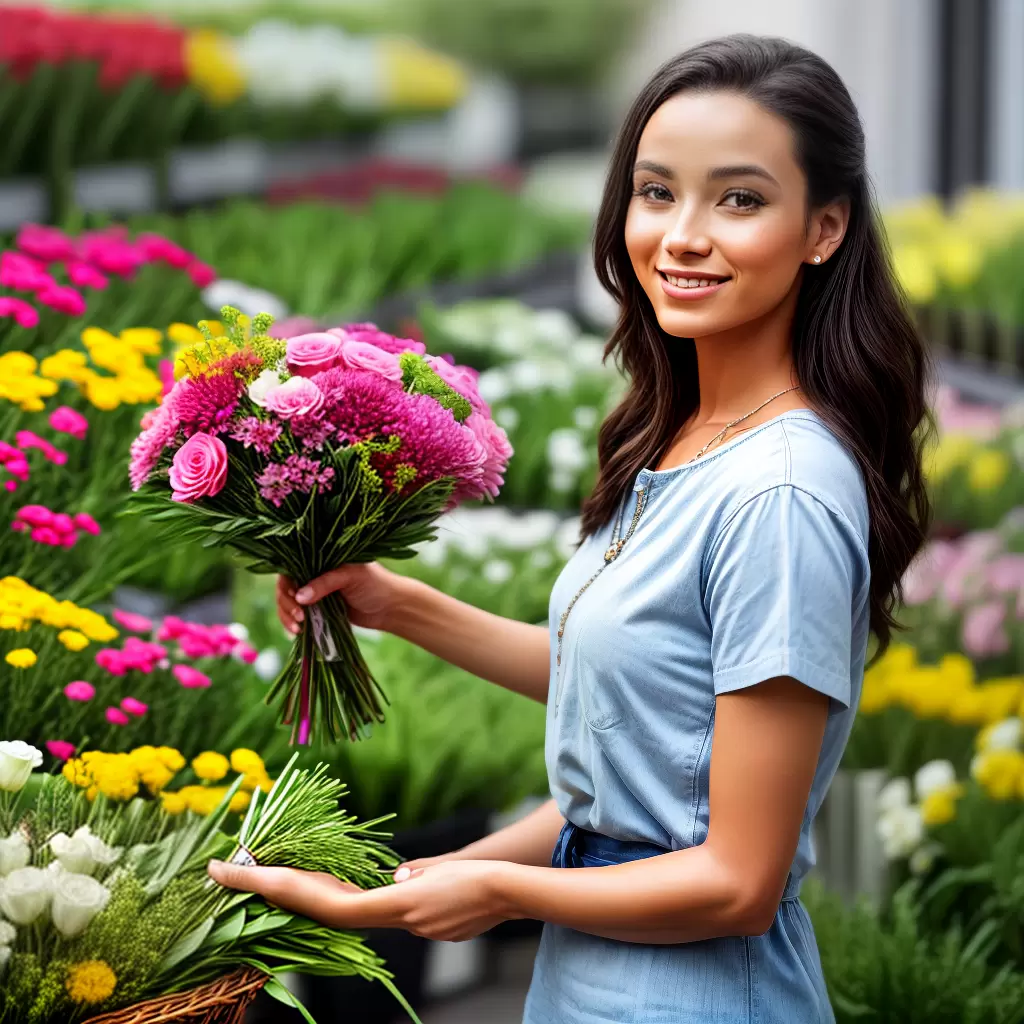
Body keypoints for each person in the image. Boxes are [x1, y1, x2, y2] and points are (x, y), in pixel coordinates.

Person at [209, 34, 930, 1023]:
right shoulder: (679, 437)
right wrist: (397, 608)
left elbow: (735, 881)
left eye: (740, 199)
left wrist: (495, 892)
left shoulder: (782, 495)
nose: (680, 234)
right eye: (655, 191)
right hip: (588, 981)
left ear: (824, 227)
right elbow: (642, 714)